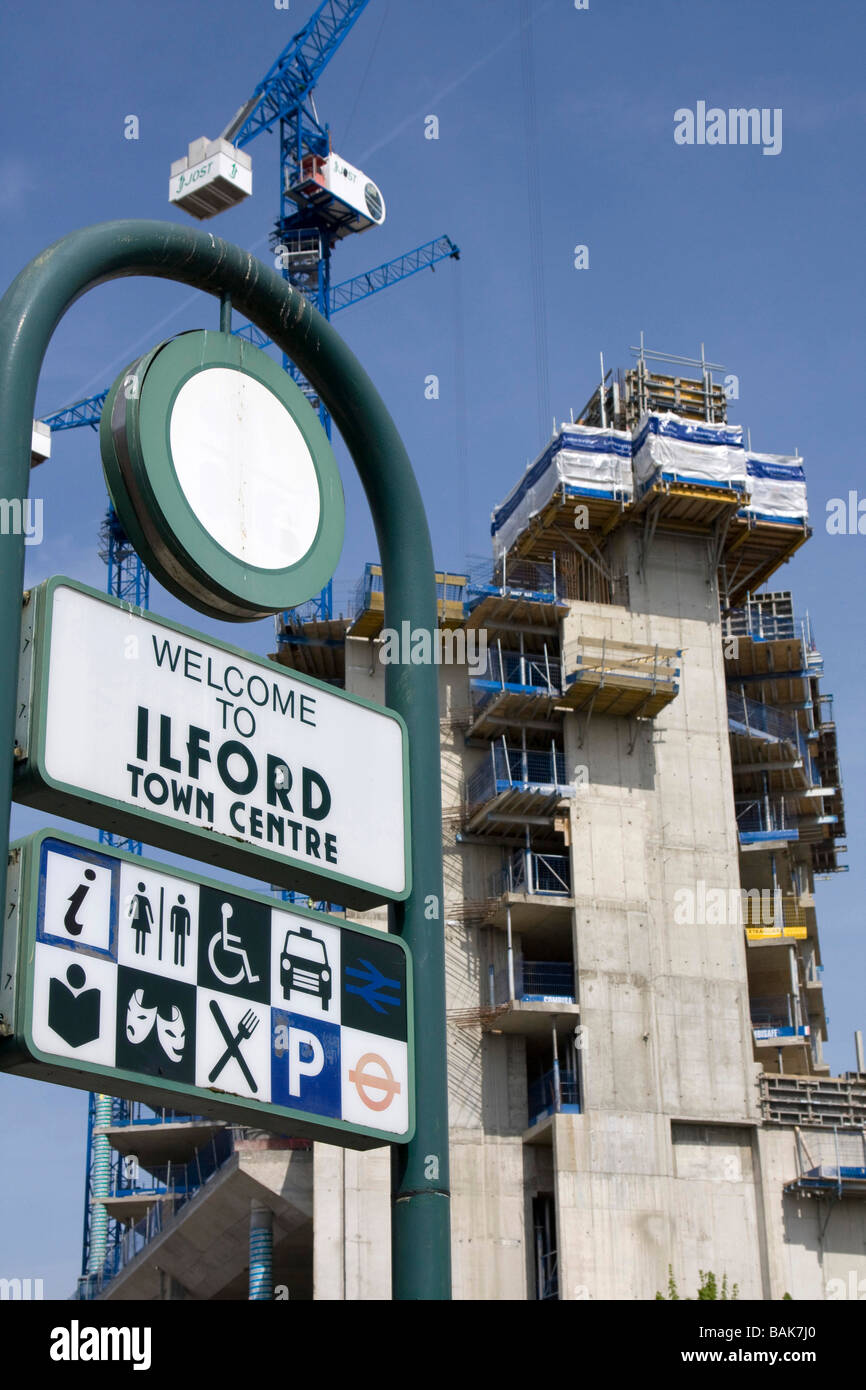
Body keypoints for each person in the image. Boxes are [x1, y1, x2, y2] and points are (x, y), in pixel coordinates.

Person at [127, 883, 153, 955]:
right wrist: (130, 912)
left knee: (140, 932)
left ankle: (141, 951)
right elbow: (132, 904)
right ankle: (139, 951)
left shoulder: (140, 897)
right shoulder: (141, 898)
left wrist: (130, 912)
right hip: (140, 915)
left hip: (140, 916)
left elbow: (149, 909)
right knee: (139, 932)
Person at [169, 894, 191, 968]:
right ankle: (177, 960)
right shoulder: (176, 908)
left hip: (181, 929)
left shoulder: (184, 910)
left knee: (180, 944)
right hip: (179, 929)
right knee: (178, 943)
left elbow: (188, 921)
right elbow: (172, 917)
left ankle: (181, 962)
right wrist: (172, 928)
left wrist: (188, 931)